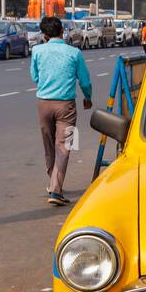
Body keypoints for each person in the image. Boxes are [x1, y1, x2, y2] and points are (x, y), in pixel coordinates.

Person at [30, 16, 93, 206]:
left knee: (49, 145)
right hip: (66, 105)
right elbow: (85, 81)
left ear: (44, 35)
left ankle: (52, 183)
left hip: (43, 103)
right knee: (65, 146)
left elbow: (35, 76)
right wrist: (88, 98)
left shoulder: (37, 51)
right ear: (62, 32)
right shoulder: (74, 53)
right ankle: (56, 190)